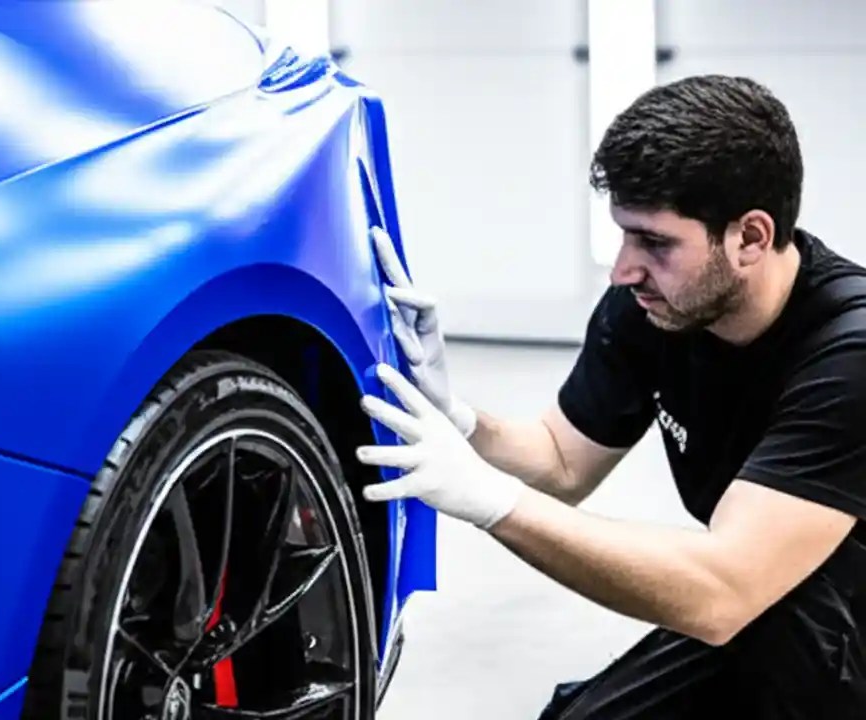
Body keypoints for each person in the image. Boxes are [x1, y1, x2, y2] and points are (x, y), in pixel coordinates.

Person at [358, 74, 866, 718]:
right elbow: (561, 462)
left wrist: (492, 502)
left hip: (822, 637)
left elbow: (723, 589)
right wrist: (460, 423)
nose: (624, 269)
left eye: (654, 242)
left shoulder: (849, 353)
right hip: (774, 616)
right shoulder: (656, 306)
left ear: (751, 238)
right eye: (624, 234)